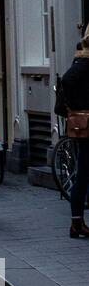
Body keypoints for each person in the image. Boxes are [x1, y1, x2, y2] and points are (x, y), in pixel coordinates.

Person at [61, 27, 89, 238]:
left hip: (84, 126)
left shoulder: (80, 61)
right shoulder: (84, 63)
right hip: (87, 127)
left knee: (84, 173)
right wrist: (78, 108)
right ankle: (76, 222)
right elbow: (67, 81)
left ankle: (77, 222)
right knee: (84, 173)